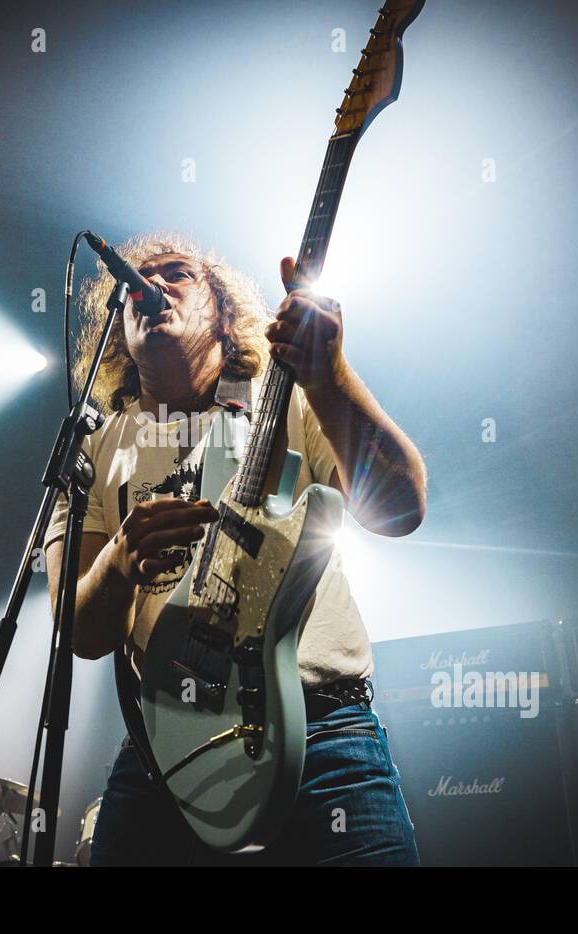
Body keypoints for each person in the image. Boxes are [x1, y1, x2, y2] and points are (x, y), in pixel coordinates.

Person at [45, 233, 428, 865]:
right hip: (167, 744)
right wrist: (118, 558)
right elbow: (80, 635)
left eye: (179, 274)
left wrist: (330, 378)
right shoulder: (93, 448)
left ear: (224, 311)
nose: (152, 285)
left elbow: (400, 510)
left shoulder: (292, 400)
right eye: (136, 280)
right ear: (117, 323)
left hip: (319, 733)